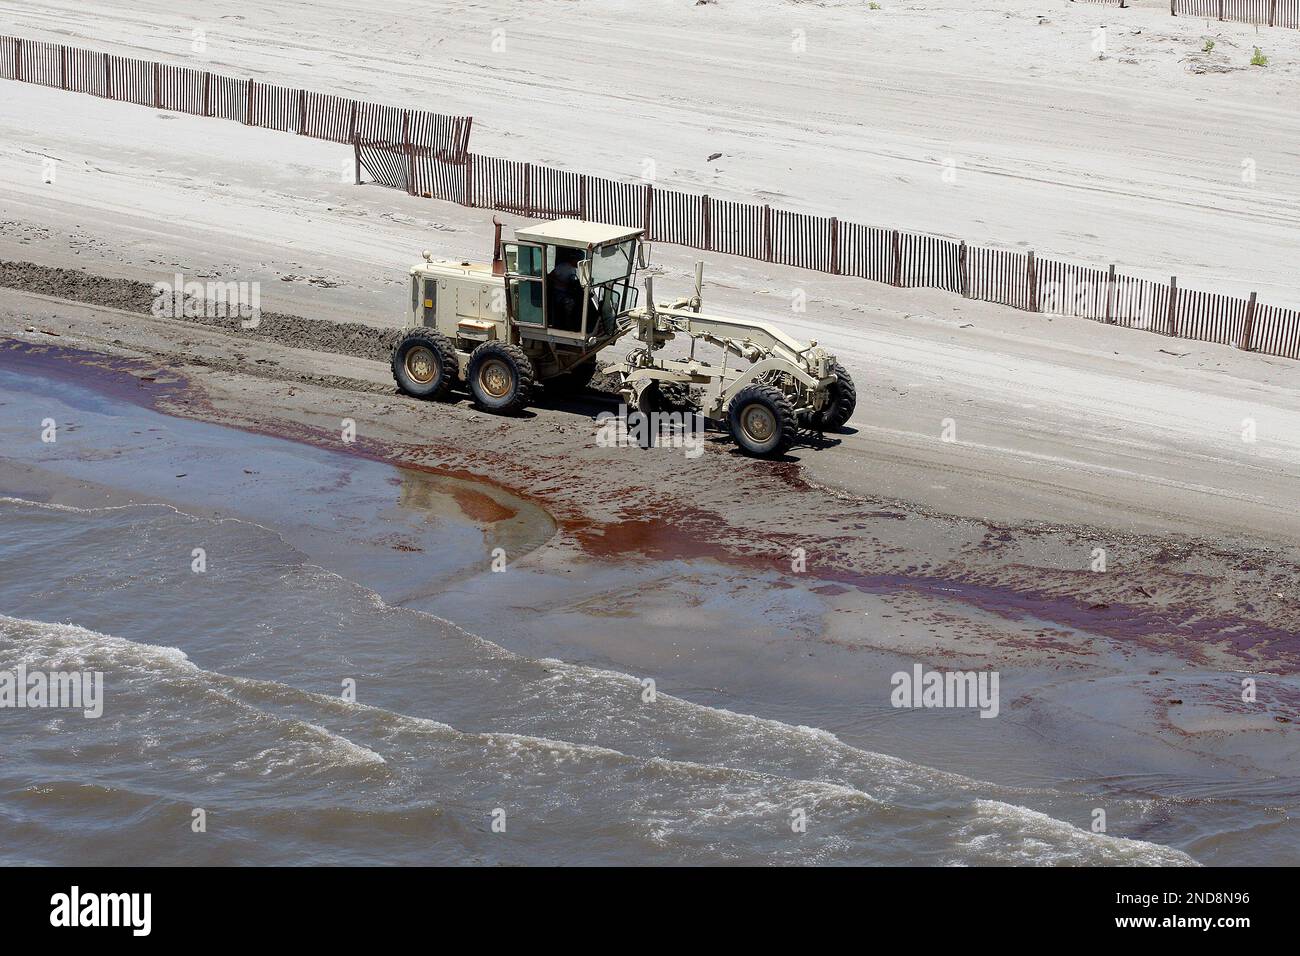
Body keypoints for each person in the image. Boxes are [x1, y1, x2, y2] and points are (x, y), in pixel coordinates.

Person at [547, 247, 586, 332]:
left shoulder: (574, 269)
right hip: (559, 292)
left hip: (567, 291)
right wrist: (561, 283)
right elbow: (549, 276)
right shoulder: (563, 267)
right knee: (570, 303)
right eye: (579, 261)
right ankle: (567, 326)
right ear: (574, 259)